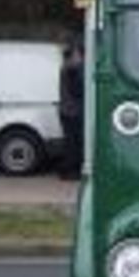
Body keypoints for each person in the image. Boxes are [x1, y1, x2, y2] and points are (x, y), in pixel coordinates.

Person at [58, 35, 84, 180]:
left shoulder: (66, 67)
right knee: (73, 143)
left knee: (71, 142)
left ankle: (67, 170)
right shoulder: (72, 69)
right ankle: (68, 171)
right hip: (72, 112)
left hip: (67, 110)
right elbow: (77, 91)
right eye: (77, 54)